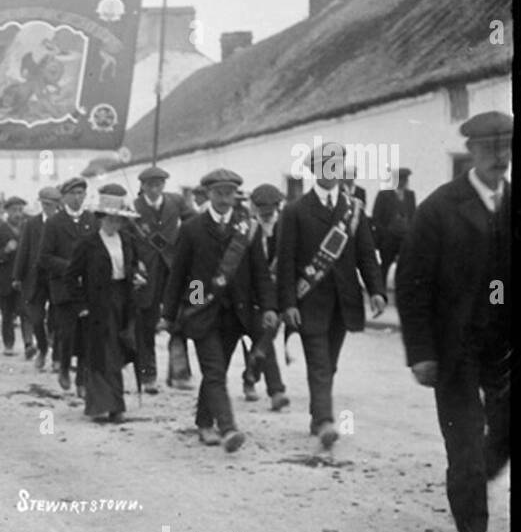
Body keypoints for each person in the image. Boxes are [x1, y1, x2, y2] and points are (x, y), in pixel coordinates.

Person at [396, 111, 511, 532]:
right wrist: (421, 353)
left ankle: (470, 482)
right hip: (454, 347)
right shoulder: (439, 208)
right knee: (465, 438)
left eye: (506, 149)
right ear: (472, 153)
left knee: (504, 435)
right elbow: (412, 284)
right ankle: (473, 531)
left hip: (506, 347)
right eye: (489, 150)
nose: (500, 158)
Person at [277, 142, 386, 450]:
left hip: (344, 301)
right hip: (309, 300)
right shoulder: (295, 210)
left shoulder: (353, 209)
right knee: (321, 363)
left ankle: (316, 415)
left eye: (337, 164)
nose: (332, 170)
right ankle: (325, 421)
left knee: (329, 363)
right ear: (314, 171)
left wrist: (377, 290)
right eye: (326, 165)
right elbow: (285, 261)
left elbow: (366, 254)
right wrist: (287, 303)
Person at [160, 169, 277, 452]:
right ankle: (228, 429)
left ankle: (203, 422)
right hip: (202, 312)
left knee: (218, 371)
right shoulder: (192, 228)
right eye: (219, 193)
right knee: (214, 371)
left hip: (236, 314)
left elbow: (261, 273)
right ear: (208, 194)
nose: (225, 199)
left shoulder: (247, 229)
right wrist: (171, 313)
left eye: (229, 193)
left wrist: (269, 307)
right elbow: (181, 274)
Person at [65, 184, 141, 423]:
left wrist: (135, 277)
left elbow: (131, 266)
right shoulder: (88, 243)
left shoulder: (127, 241)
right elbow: (70, 276)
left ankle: (109, 403)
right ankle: (111, 406)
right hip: (98, 303)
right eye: (110, 219)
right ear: (101, 218)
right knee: (103, 353)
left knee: (118, 350)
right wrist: (81, 305)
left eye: (118, 220)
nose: (114, 224)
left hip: (123, 300)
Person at [128, 165, 195, 394]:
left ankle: (179, 373)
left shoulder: (176, 202)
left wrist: (183, 244)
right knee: (146, 322)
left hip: (173, 268)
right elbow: (128, 240)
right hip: (147, 272)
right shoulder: (134, 208)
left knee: (178, 319)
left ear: (164, 185)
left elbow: (194, 223)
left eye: (159, 185)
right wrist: (135, 263)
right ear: (143, 186)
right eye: (150, 185)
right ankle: (148, 375)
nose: (155, 189)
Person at [39, 176, 95, 393]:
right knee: (66, 332)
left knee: (86, 334)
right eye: (74, 194)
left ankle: (82, 378)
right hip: (63, 287)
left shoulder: (91, 220)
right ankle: (63, 367)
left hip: (87, 288)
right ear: (64, 197)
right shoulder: (54, 223)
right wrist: (71, 267)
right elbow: (44, 257)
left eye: (82, 194)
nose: (78, 198)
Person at [240, 184, 290, 411]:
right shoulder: (245, 226)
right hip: (249, 293)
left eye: (268, 212)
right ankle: (276, 390)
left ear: (278, 207)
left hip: (277, 294)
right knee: (263, 338)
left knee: (265, 338)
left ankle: (251, 376)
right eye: (260, 211)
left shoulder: (287, 227)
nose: (264, 216)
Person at [14, 186, 60, 369]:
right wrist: (17, 276)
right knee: (37, 318)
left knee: (57, 320)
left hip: (56, 277)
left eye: (51, 204)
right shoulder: (32, 224)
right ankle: (42, 348)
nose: (47, 207)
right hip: (35, 278)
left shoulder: (62, 223)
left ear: (58, 205)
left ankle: (57, 357)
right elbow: (23, 250)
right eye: (44, 204)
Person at [0, 197, 28, 356]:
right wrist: (5, 251)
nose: (17, 214)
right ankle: (9, 344)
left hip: (23, 278)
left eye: (20, 210)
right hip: (5, 279)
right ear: (7, 212)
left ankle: (28, 343)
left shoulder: (27, 229)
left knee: (26, 313)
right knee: (7, 314)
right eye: (14, 210)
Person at [371, 166, 417, 286]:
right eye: (400, 179)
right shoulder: (384, 195)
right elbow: (376, 217)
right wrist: (384, 234)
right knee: (385, 265)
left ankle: (401, 290)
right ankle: (380, 291)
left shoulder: (410, 195)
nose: (403, 182)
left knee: (404, 266)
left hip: (404, 238)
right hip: (388, 238)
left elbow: (413, 215)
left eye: (405, 179)